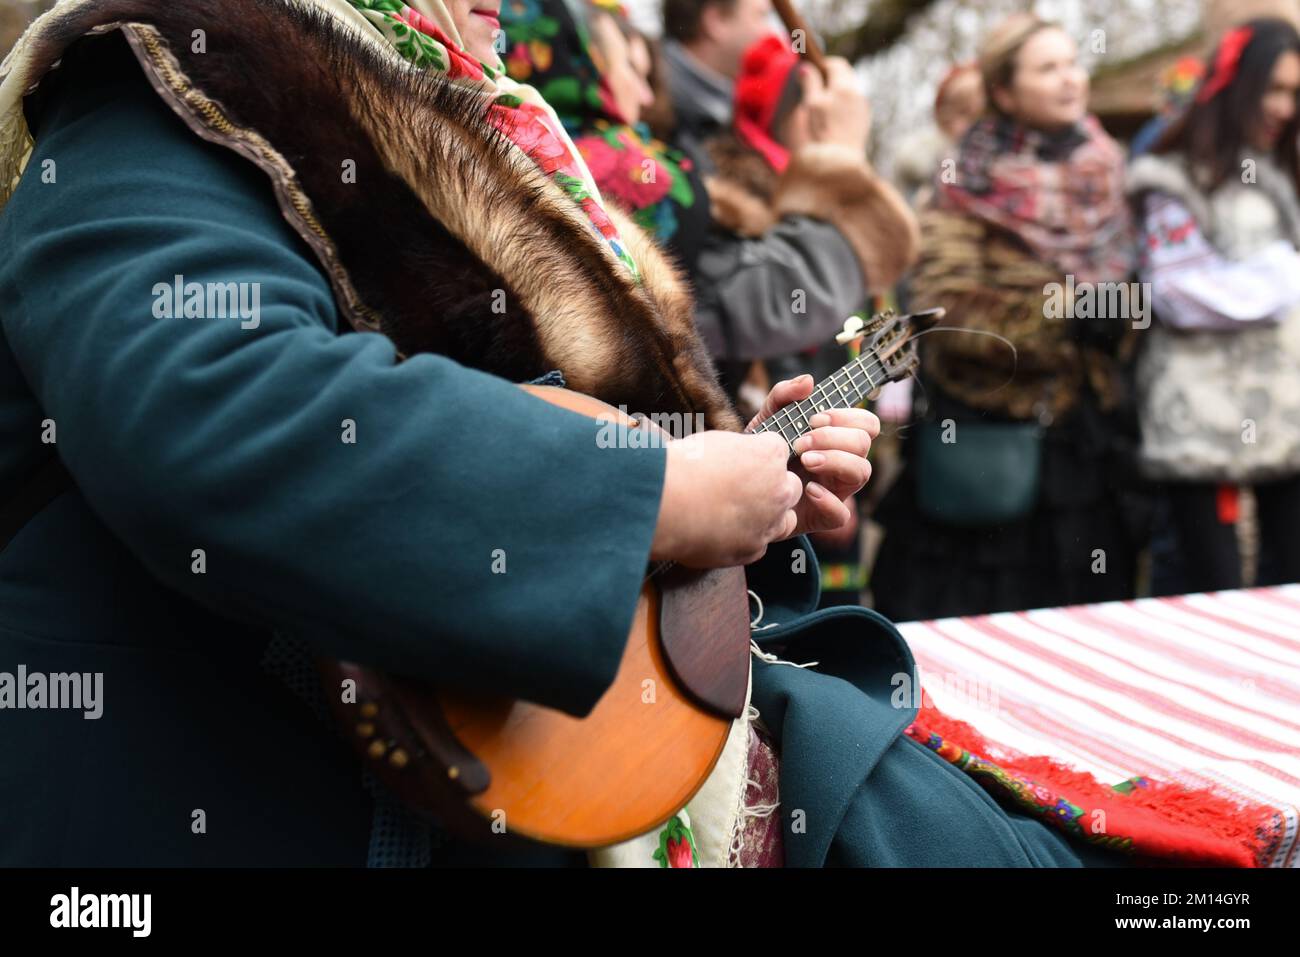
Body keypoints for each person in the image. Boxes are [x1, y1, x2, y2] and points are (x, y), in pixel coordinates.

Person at [1, 0, 1234, 868]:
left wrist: (745, 475)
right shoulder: (170, 78)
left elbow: (532, 437)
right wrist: (664, 492)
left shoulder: (431, 127)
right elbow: (217, 410)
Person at [871, 14, 1147, 621]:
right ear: (1003, 91)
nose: (1070, 79)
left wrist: (1124, 315)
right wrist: (1066, 317)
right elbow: (946, 312)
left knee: (1092, 621)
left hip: (1087, 445)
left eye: (1073, 62)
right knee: (987, 627)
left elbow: (1133, 298)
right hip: (990, 439)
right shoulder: (961, 180)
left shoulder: (1108, 171)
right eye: (1048, 68)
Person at [1127, 17, 1300, 593]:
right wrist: (1281, 278)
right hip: (1200, 421)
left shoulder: (1285, 170)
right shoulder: (1173, 176)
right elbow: (1179, 294)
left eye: (1295, 93)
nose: (1283, 106)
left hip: (1285, 415)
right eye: (1273, 89)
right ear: (1238, 86)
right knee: (1210, 589)